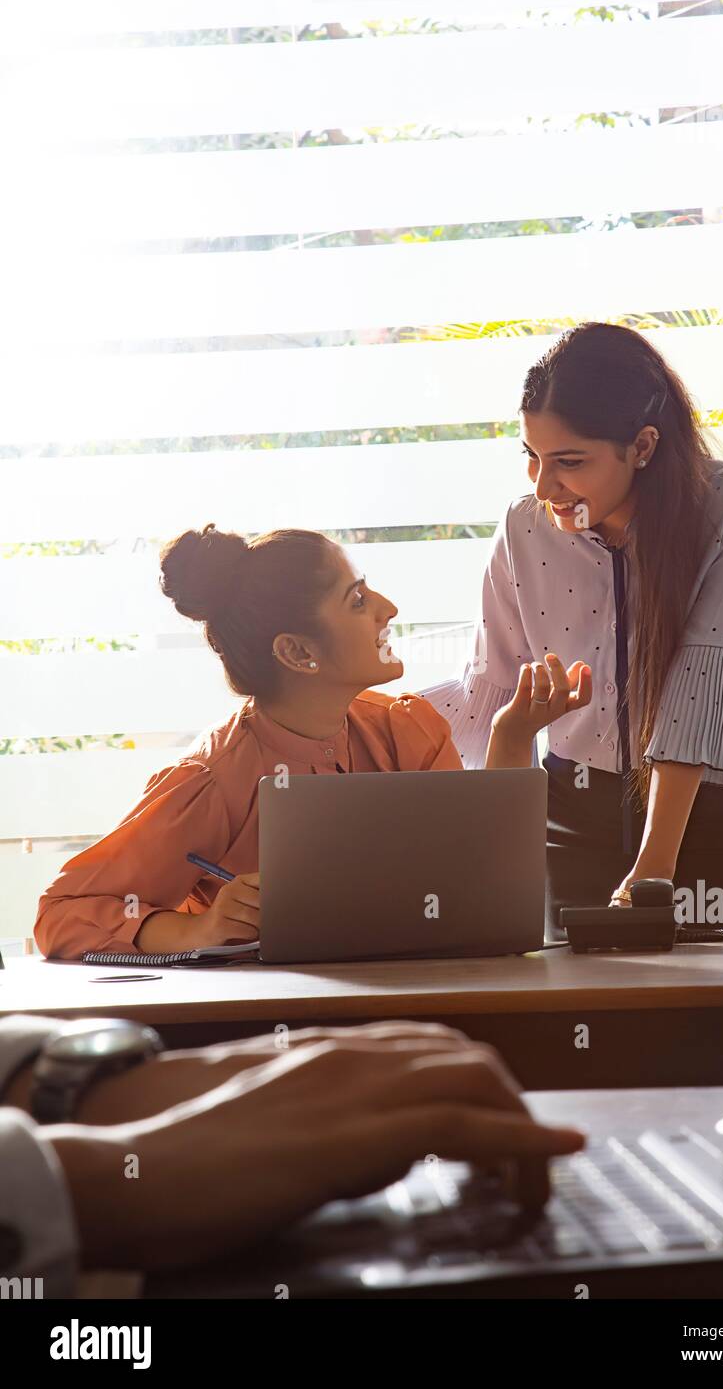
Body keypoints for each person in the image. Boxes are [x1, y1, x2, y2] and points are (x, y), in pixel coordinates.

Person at [34, 525, 591, 958]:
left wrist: (513, 734)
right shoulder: (212, 780)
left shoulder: (406, 728)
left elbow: (485, 886)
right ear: (298, 653)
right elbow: (60, 914)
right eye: (356, 600)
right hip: (272, 1032)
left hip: (418, 1006)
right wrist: (194, 926)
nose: (388, 609)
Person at [423, 323, 723, 934]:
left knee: (706, 1006)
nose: (543, 486)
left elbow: (702, 686)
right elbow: (490, 688)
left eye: (570, 462)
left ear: (642, 445)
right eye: (532, 458)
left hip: (707, 812)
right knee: (578, 1011)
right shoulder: (523, 527)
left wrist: (652, 871)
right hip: (574, 808)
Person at [0, 1013, 585, 1294]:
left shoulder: (423, 763)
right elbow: (70, 905)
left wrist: (84, 1089)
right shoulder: (205, 783)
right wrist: (80, 1186)